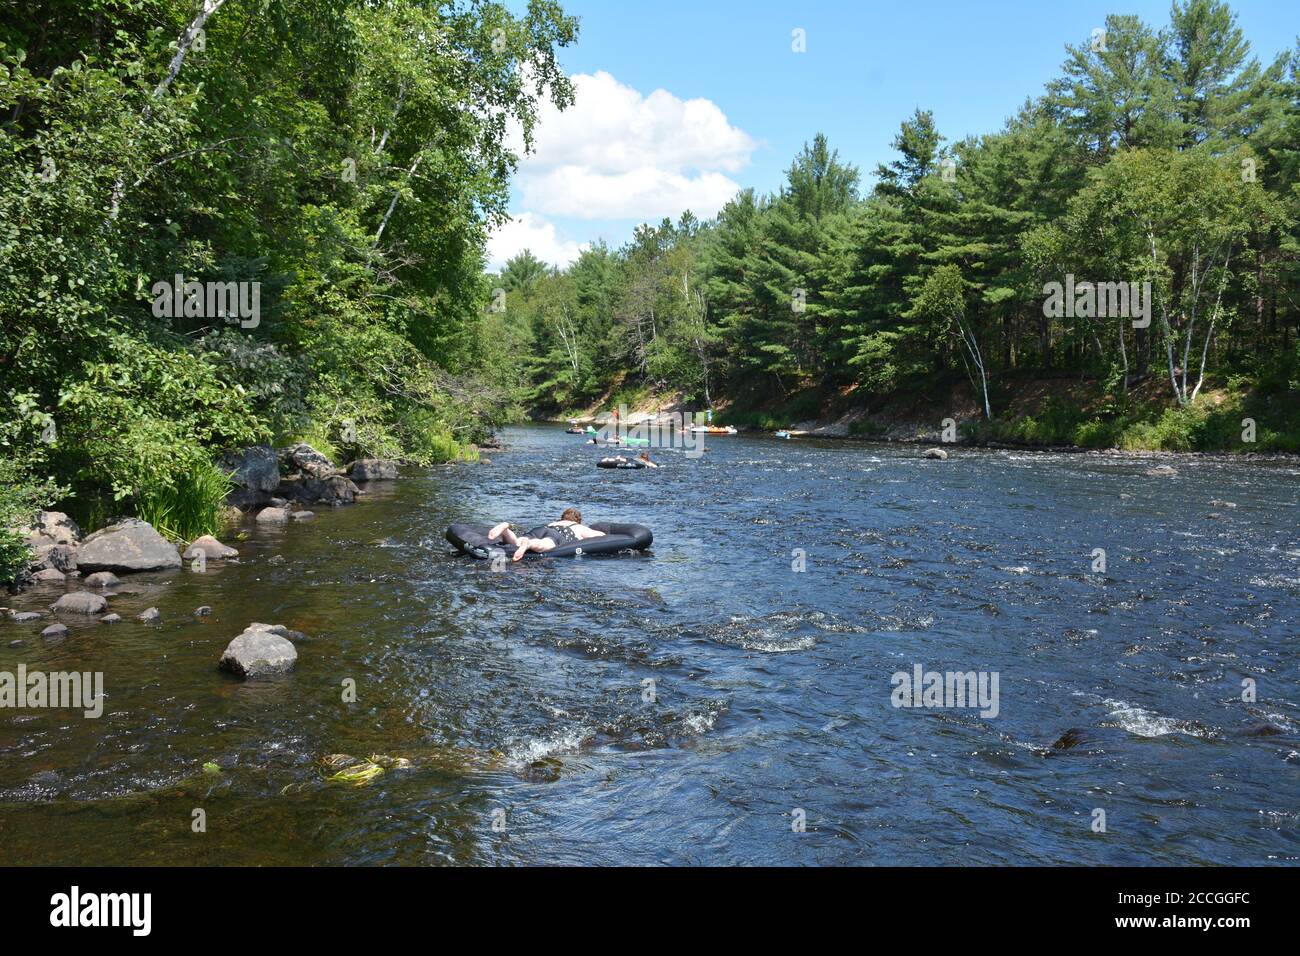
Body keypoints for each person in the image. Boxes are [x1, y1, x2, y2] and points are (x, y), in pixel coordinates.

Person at [487, 508, 606, 561]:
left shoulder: (553, 523)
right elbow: (601, 536)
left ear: (562, 518)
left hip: (541, 529)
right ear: (578, 520)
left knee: (517, 541)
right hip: (558, 534)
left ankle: (506, 530)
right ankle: (528, 544)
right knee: (545, 543)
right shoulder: (578, 527)